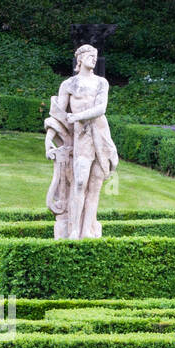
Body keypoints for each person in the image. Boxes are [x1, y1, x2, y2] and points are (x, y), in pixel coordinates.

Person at [45, 44, 118, 238]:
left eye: (95, 56)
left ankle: (87, 230)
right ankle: (73, 229)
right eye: (90, 55)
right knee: (79, 182)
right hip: (81, 138)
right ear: (80, 58)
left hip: (100, 134)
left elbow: (101, 108)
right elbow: (59, 115)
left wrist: (77, 117)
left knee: (95, 186)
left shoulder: (102, 82)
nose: (94, 58)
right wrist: (49, 139)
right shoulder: (69, 84)